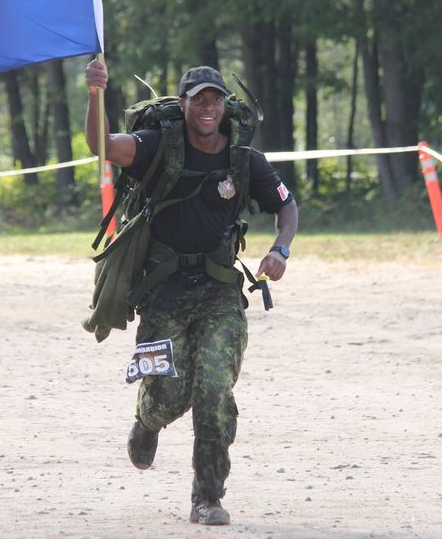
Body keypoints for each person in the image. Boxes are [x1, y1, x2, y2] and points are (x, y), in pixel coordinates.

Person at [85, 57, 299, 526]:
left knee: (215, 389)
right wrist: (96, 94)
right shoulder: (156, 145)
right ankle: (147, 420)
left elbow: (287, 206)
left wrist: (281, 250)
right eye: (198, 99)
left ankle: (207, 497)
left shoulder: (244, 157)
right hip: (162, 292)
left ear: (224, 106)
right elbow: (102, 145)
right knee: (167, 394)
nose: (207, 108)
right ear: (182, 105)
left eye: (215, 100)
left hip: (220, 291)